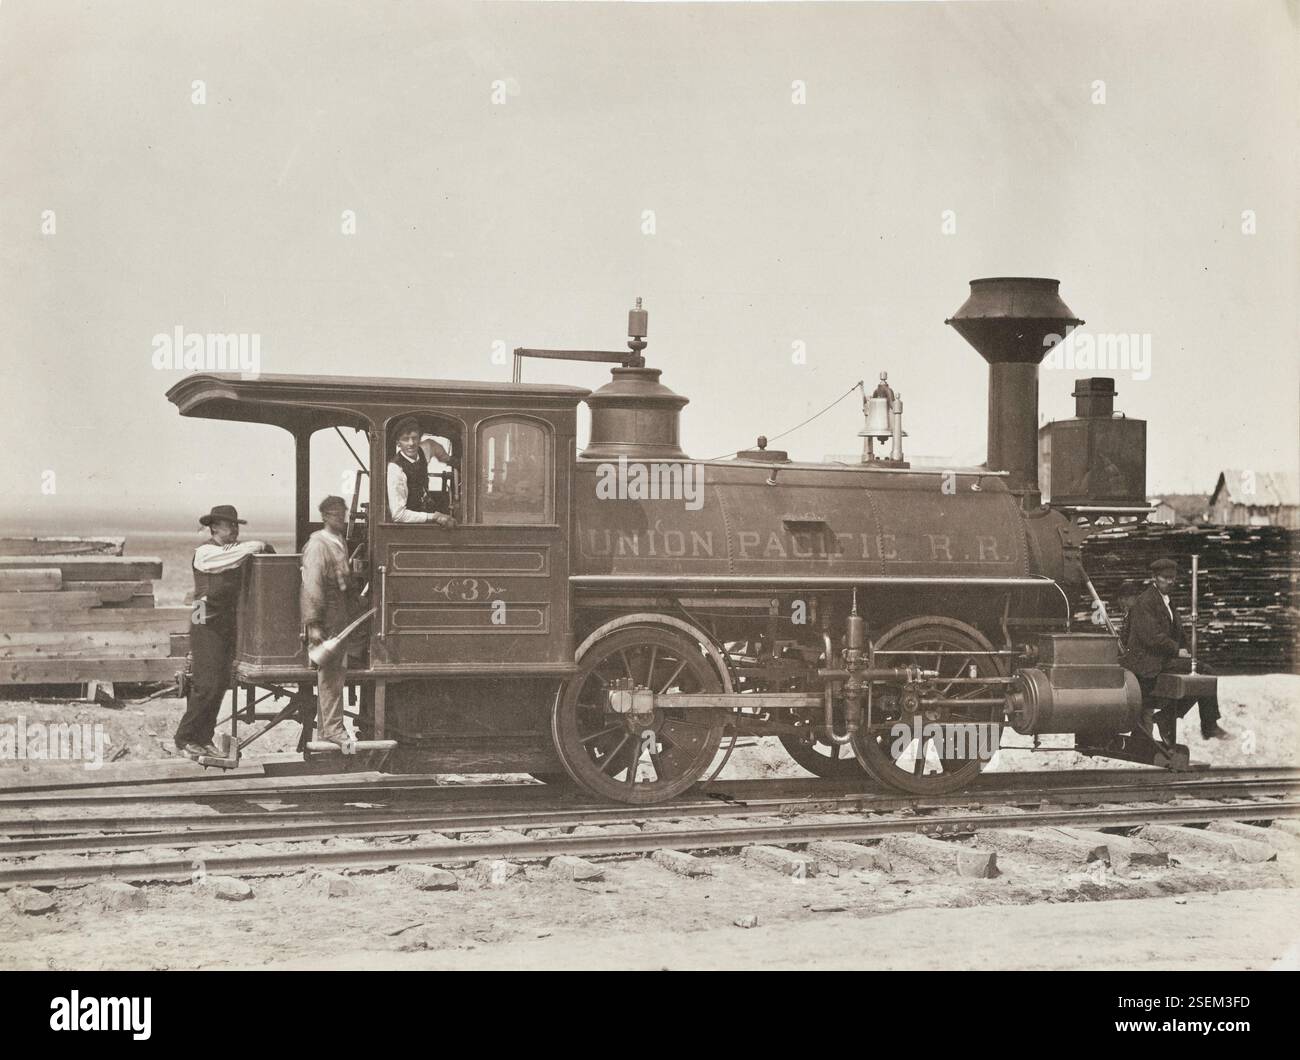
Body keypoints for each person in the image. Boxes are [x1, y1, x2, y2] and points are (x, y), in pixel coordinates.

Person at [174, 505, 275, 759]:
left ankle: (204, 738)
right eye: (230, 525)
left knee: (219, 685)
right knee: (206, 684)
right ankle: (185, 737)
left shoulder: (233, 552)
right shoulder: (206, 552)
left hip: (225, 625)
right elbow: (232, 556)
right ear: (214, 527)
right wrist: (257, 545)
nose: (235, 530)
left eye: (236, 525)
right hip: (204, 624)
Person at [1121, 557, 1230, 745]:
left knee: (1200, 673)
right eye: (1165, 577)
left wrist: (1189, 649)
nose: (1170, 581)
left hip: (1161, 659)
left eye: (1173, 578)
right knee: (1206, 673)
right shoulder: (1145, 601)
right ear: (1154, 577)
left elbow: (1178, 632)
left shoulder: (1166, 601)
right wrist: (1177, 651)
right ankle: (1208, 725)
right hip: (1147, 663)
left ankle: (1168, 718)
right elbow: (1151, 637)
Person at [301, 496, 359, 748]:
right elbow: (311, 585)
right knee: (331, 675)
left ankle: (327, 729)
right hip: (327, 614)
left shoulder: (339, 541)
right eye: (336, 514)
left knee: (336, 672)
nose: (341, 518)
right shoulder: (318, 544)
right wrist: (313, 622)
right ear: (325, 516)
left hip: (339, 610)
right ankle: (333, 729)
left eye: (343, 513)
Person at [387, 417, 457, 526]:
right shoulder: (395, 468)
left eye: (414, 438)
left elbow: (438, 450)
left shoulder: (426, 448)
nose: (411, 443)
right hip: (409, 524)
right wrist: (435, 516)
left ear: (420, 439)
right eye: (406, 439)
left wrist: (453, 462)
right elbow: (398, 515)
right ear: (398, 443)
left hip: (426, 508)